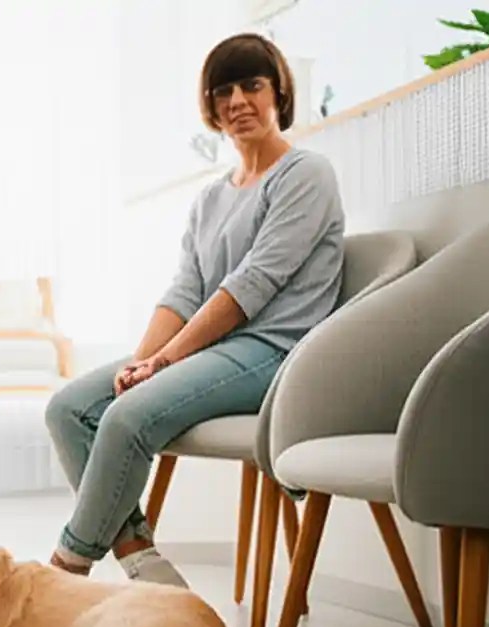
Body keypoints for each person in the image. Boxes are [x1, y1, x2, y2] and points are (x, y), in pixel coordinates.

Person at [44, 34, 345, 586]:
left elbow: (250, 286)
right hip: (219, 351)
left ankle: (66, 571)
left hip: (275, 352)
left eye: (252, 84)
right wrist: (138, 363)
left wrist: (162, 364)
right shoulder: (211, 198)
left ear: (278, 91)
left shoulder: (306, 174)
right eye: (223, 90)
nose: (238, 101)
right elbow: (186, 290)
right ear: (211, 107)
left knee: (127, 419)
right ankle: (144, 562)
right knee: (68, 408)